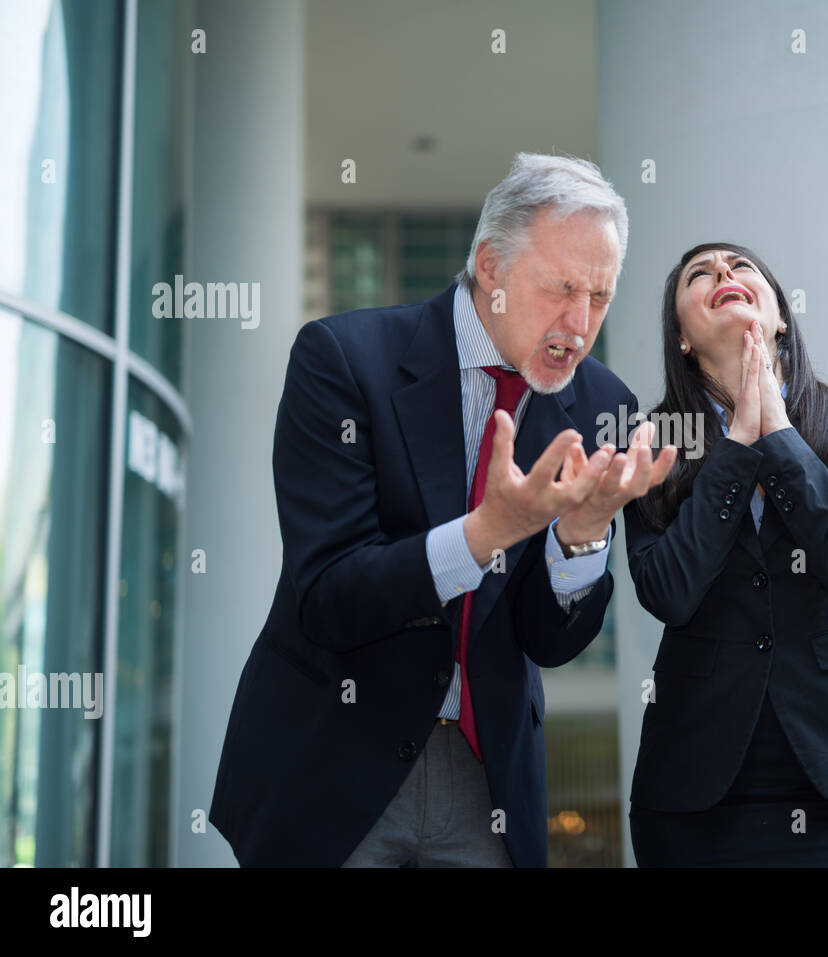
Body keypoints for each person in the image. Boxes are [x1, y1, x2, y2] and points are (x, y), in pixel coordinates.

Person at [209, 153, 676, 867]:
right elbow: (331, 595)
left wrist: (581, 540)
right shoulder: (341, 359)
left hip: (485, 777)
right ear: (490, 266)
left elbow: (549, 642)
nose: (579, 324)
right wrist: (484, 536)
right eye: (562, 287)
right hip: (331, 763)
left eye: (601, 296)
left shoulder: (602, 403)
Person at [623, 242, 828, 866]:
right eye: (699, 276)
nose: (723, 274)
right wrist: (735, 446)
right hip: (694, 795)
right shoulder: (648, 444)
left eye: (739, 267)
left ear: (780, 314)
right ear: (682, 338)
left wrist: (778, 435)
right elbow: (667, 592)